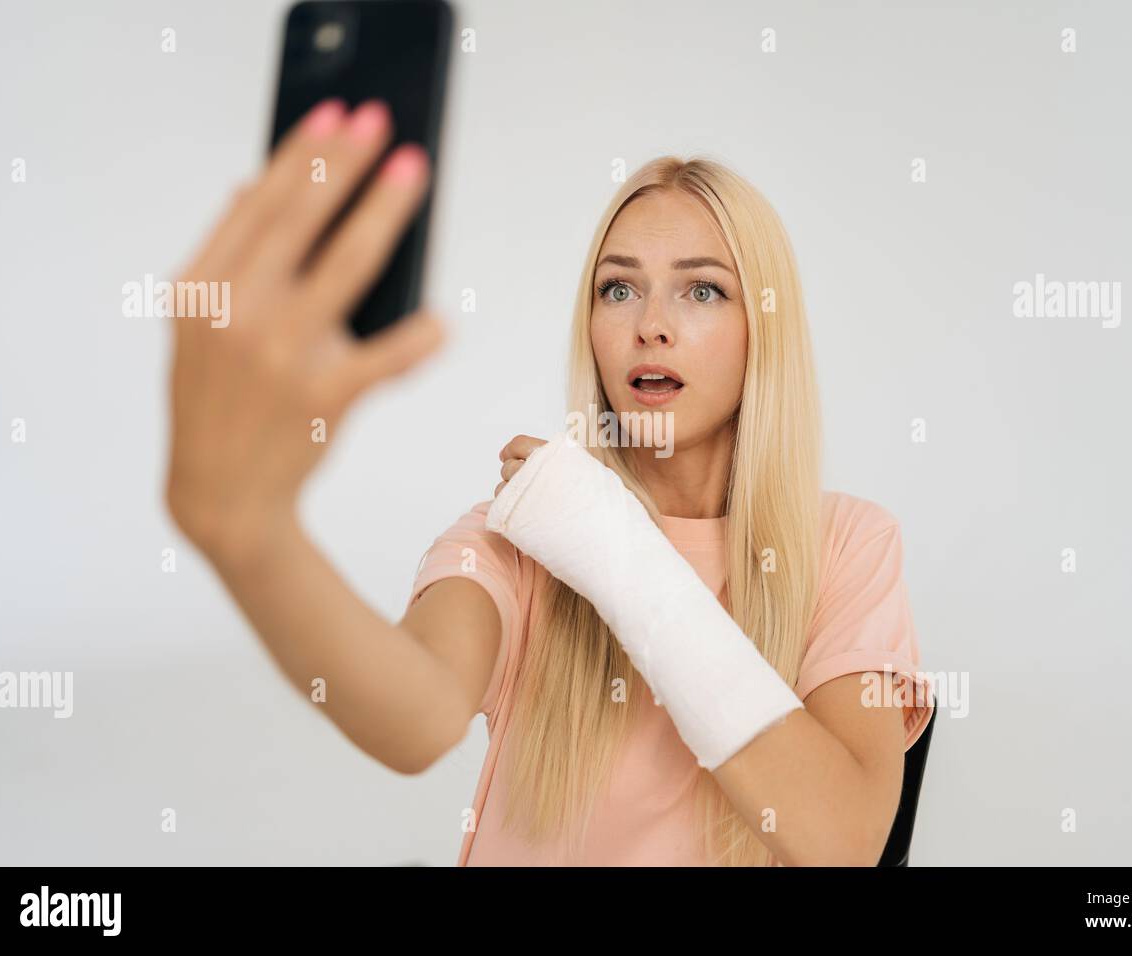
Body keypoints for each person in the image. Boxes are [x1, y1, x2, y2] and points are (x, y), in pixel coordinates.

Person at [166, 98, 933, 867]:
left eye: (702, 290)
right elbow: (417, 716)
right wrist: (252, 534)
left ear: (764, 327)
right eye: (618, 288)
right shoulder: (528, 529)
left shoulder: (846, 545)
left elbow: (846, 840)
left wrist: (618, 556)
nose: (651, 325)